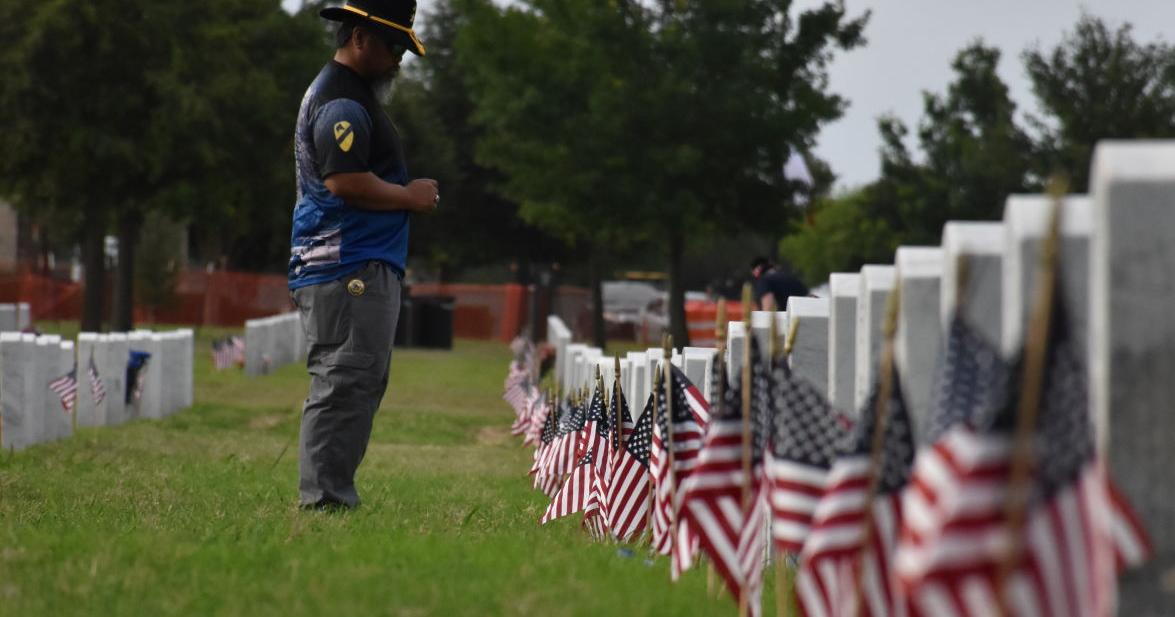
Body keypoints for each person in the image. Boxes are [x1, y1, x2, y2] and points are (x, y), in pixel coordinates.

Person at [288, 0, 438, 510]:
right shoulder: (342, 103)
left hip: (356, 261)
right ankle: (325, 502)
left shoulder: (350, 96)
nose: (399, 58)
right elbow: (344, 179)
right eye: (392, 45)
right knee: (345, 380)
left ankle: (330, 495)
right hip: (346, 263)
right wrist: (409, 197)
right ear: (358, 37)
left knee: (357, 381)